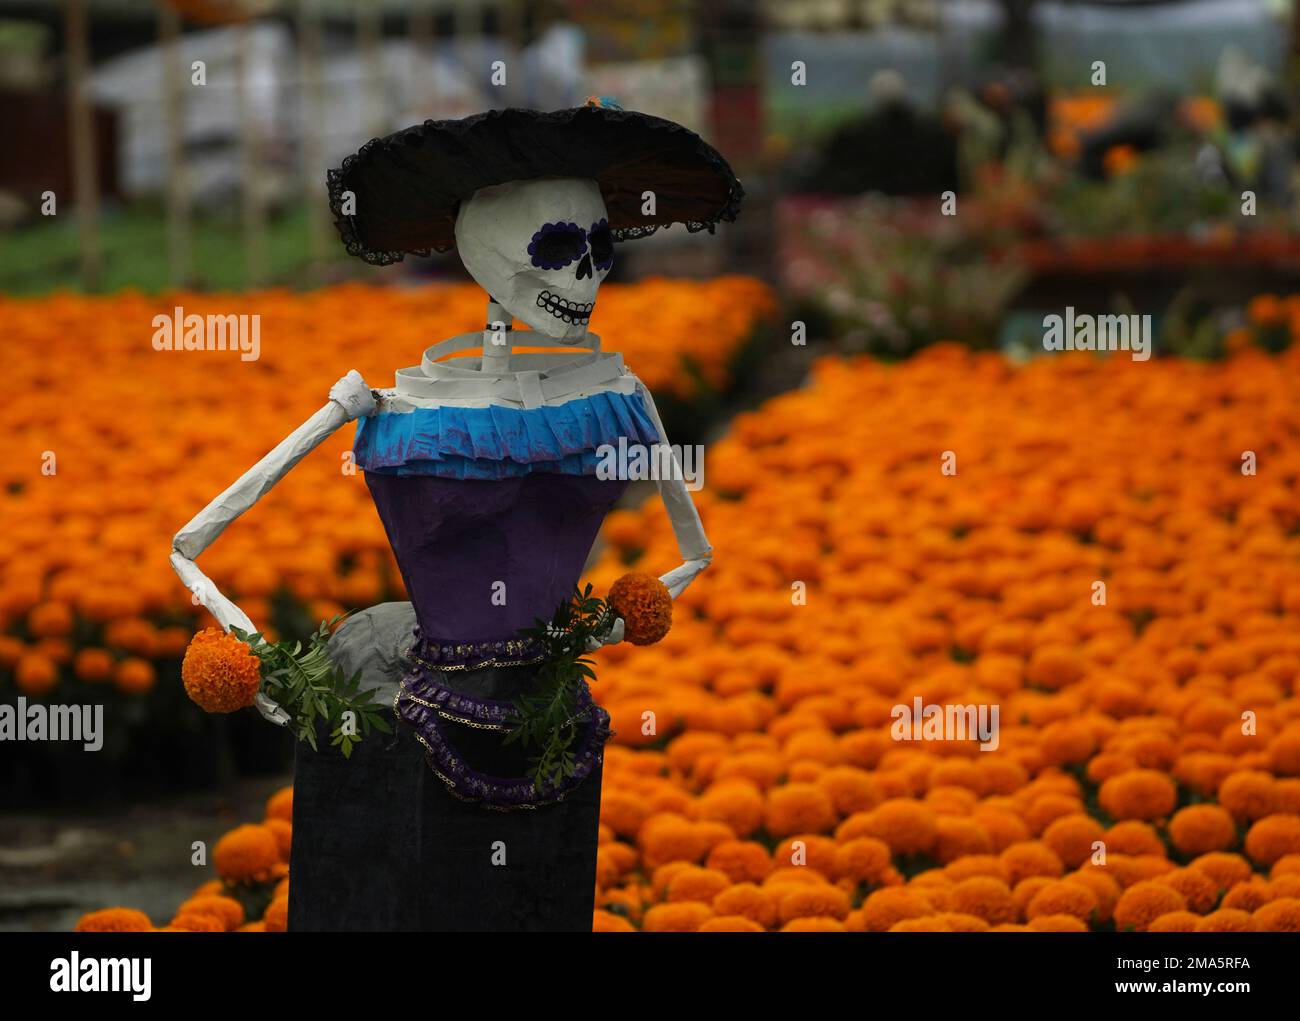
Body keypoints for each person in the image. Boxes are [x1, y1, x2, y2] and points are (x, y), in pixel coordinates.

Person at [168, 100, 743, 930]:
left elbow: (696, 553)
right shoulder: (385, 401)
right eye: (558, 250)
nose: (586, 276)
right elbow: (192, 541)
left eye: (599, 249)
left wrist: (612, 621)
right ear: (487, 252)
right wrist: (262, 672)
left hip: (551, 698)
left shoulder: (618, 396)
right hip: (414, 704)